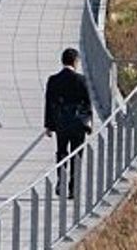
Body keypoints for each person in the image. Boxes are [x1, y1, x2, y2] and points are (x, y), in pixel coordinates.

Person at [44, 47, 94, 197]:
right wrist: (89, 122)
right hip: (78, 123)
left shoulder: (53, 80)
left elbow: (49, 103)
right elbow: (87, 103)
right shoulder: (81, 80)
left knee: (61, 152)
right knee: (77, 154)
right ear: (76, 61)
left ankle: (61, 181)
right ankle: (74, 187)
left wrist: (49, 125)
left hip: (61, 123)